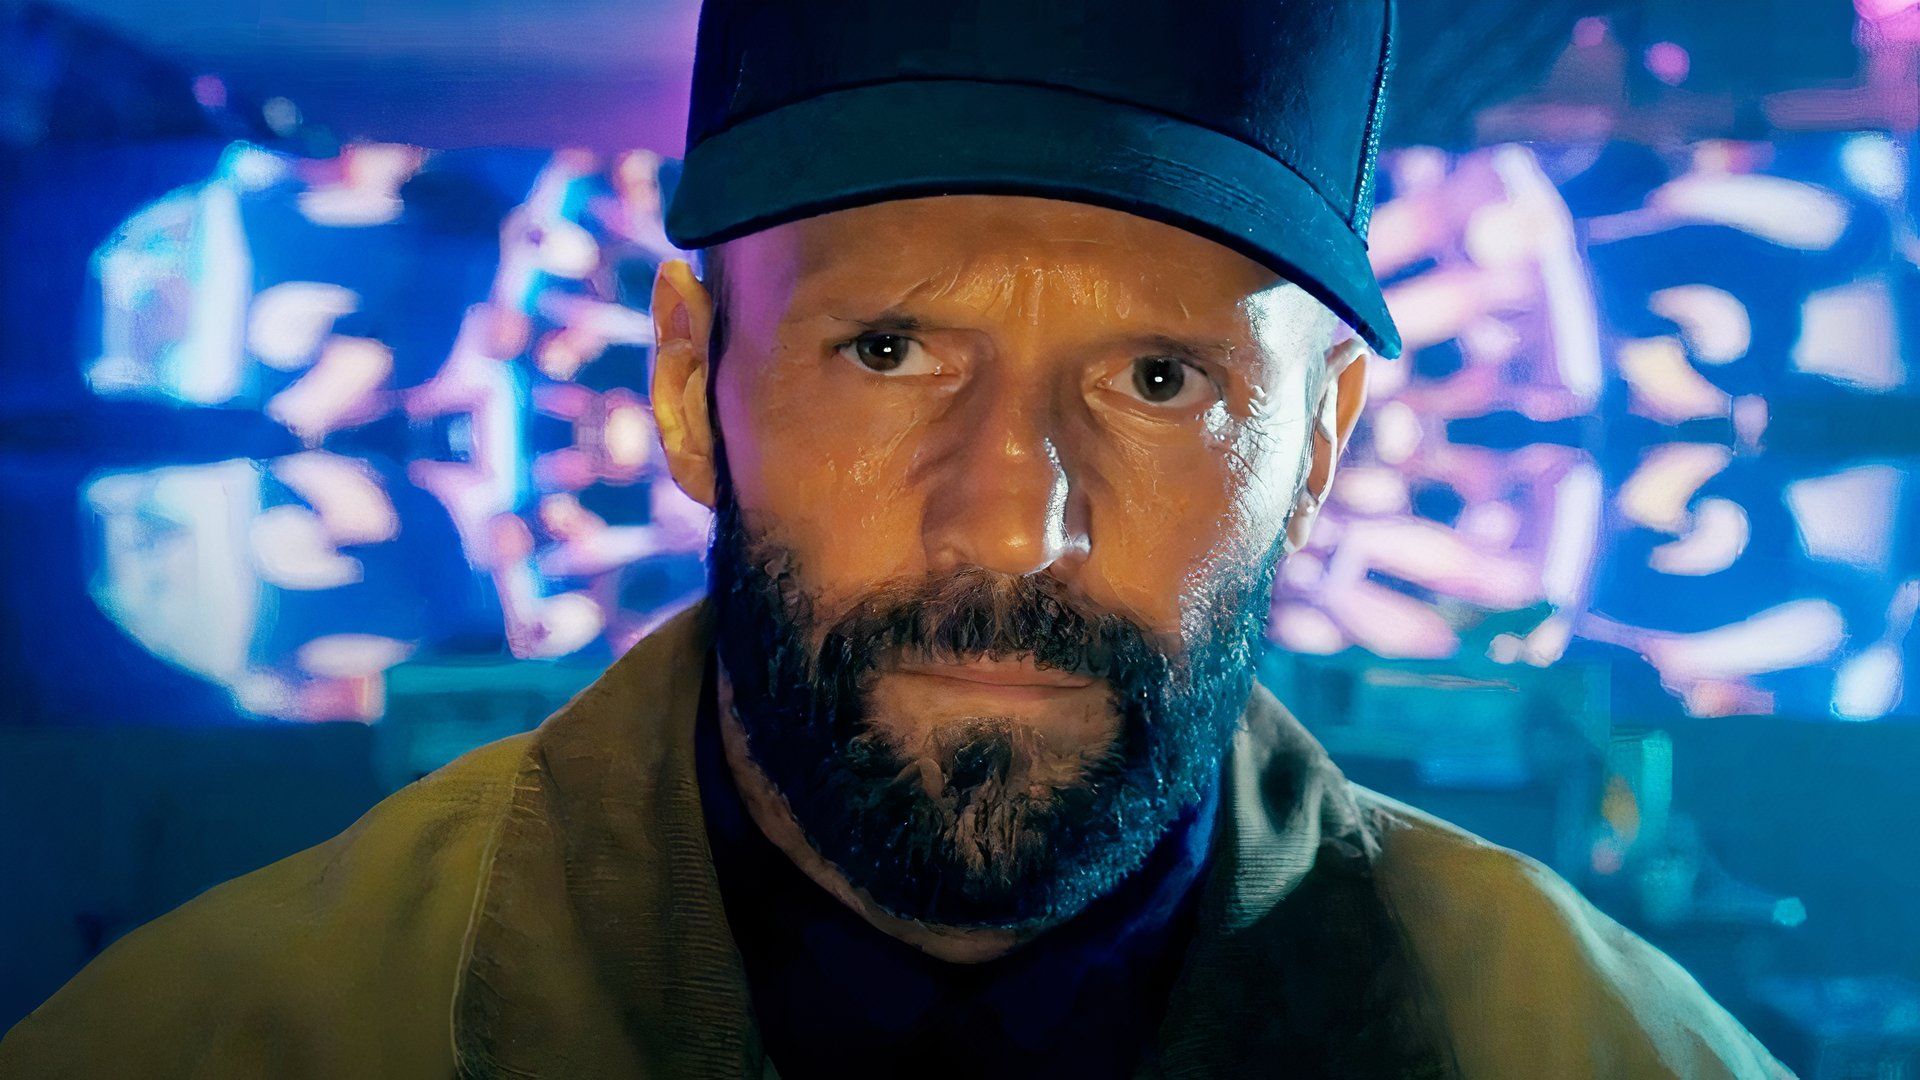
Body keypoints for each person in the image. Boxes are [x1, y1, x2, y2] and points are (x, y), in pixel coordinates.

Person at [2, 0, 1788, 1076]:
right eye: (888, 352)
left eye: (1159, 378)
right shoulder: (232, 1045)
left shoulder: (1600, 1055)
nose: (1011, 519)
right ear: (690, 383)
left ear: (1317, 447)